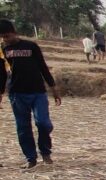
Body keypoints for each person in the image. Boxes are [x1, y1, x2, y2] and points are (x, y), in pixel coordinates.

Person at [0, 19, 62, 169]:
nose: (5, 39)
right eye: (2, 37)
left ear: (14, 32)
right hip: (16, 93)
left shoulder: (31, 46)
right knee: (23, 127)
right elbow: (1, 73)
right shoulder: (2, 50)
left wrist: (53, 88)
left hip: (38, 92)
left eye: (7, 36)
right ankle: (30, 158)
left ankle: (45, 152)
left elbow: (43, 67)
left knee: (43, 123)